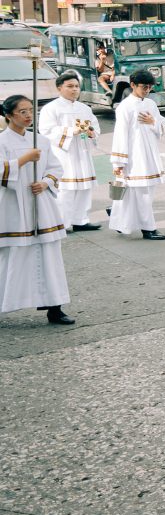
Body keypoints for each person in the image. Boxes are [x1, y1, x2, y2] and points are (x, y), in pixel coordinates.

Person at [0, 95, 72, 325]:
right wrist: (23, 159)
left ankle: (55, 307)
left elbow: (55, 168)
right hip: (14, 207)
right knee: (12, 257)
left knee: (49, 256)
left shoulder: (40, 140)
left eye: (31, 110)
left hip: (41, 205)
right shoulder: (2, 141)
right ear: (9, 115)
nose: (29, 115)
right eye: (22, 112)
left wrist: (45, 183)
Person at [108, 69, 165, 240]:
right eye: (144, 87)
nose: (147, 90)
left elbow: (161, 126)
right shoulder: (125, 107)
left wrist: (153, 122)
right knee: (142, 194)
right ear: (133, 85)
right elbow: (120, 135)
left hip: (149, 153)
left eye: (149, 87)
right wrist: (118, 162)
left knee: (136, 194)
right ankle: (148, 228)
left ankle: (119, 220)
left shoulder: (151, 104)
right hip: (134, 156)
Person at [38, 71, 101, 231]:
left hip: (82, 151)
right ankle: (62, 223)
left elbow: (94, 126)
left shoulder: (84, 108)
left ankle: (81, 220)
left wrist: (92, 132)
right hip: (63, 154)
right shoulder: (51, 108)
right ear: (59, 88)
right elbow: (46, 130)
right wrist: (71, 131)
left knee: (84, 187)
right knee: (65, 190)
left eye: (77, 86)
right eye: (70, 86)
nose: (74, 89)